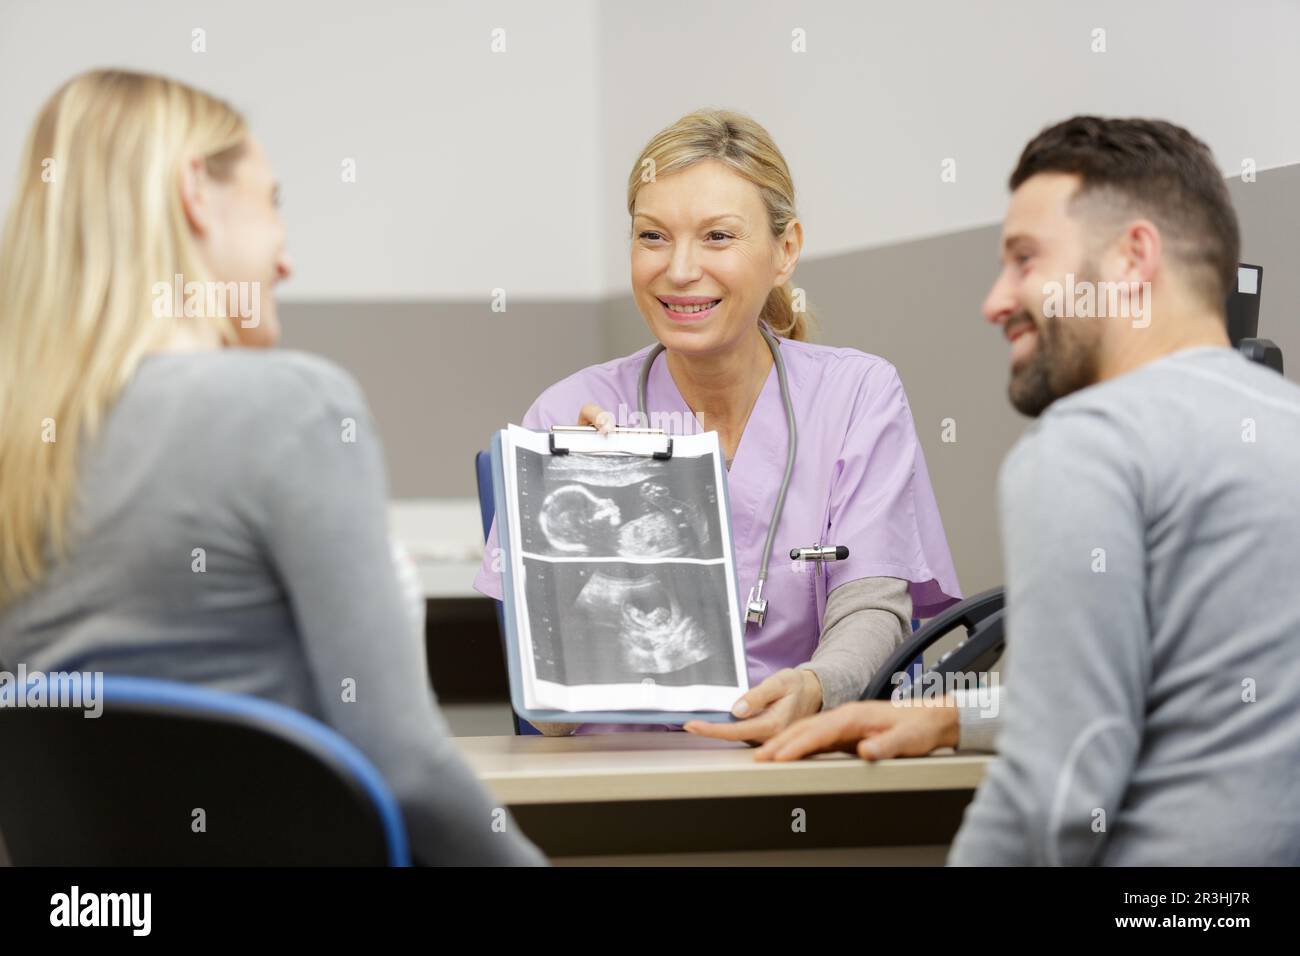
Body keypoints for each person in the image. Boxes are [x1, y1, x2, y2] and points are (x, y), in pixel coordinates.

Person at [0, 69, 544, 866]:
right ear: (196, 193)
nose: (285, 261)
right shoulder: (292, 406)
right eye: (272, 203)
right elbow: (409, 771)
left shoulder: (21, 444)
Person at [761, 116, 1300, 866]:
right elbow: (1190, 703)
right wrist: (956, 716)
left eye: (1024, 260)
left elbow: (1064, 791)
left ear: (1132, 258)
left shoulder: (1088, 446)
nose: (995, 300)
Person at [474, 110, 960, 740]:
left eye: (718, 237)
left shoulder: (856, 394)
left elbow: (872, 608)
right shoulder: (567, 413)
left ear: (785, 251)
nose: (678, 269)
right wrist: (598, 529)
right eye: (652, 237)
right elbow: (547, 720)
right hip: (616, 791)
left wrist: (813, 688)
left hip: (795, 766)